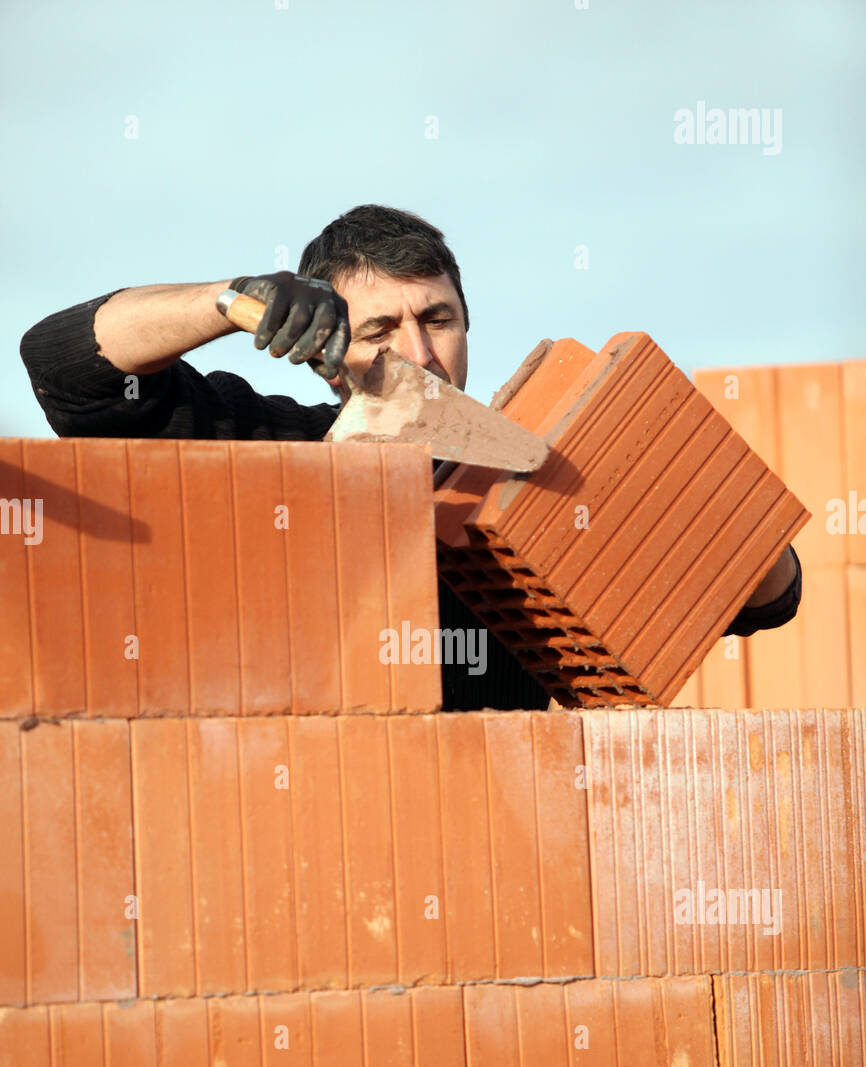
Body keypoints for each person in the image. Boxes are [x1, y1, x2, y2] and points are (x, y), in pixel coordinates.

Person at [19, 204, 801, 711]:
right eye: (379, 331)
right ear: (325, 353)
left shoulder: (539, 471)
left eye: (438, 320)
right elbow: (67, 368)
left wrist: (673, 472)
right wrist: (226, 300)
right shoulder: (268, 452)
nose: (422, 355)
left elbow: (772, 595)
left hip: (505, 860)